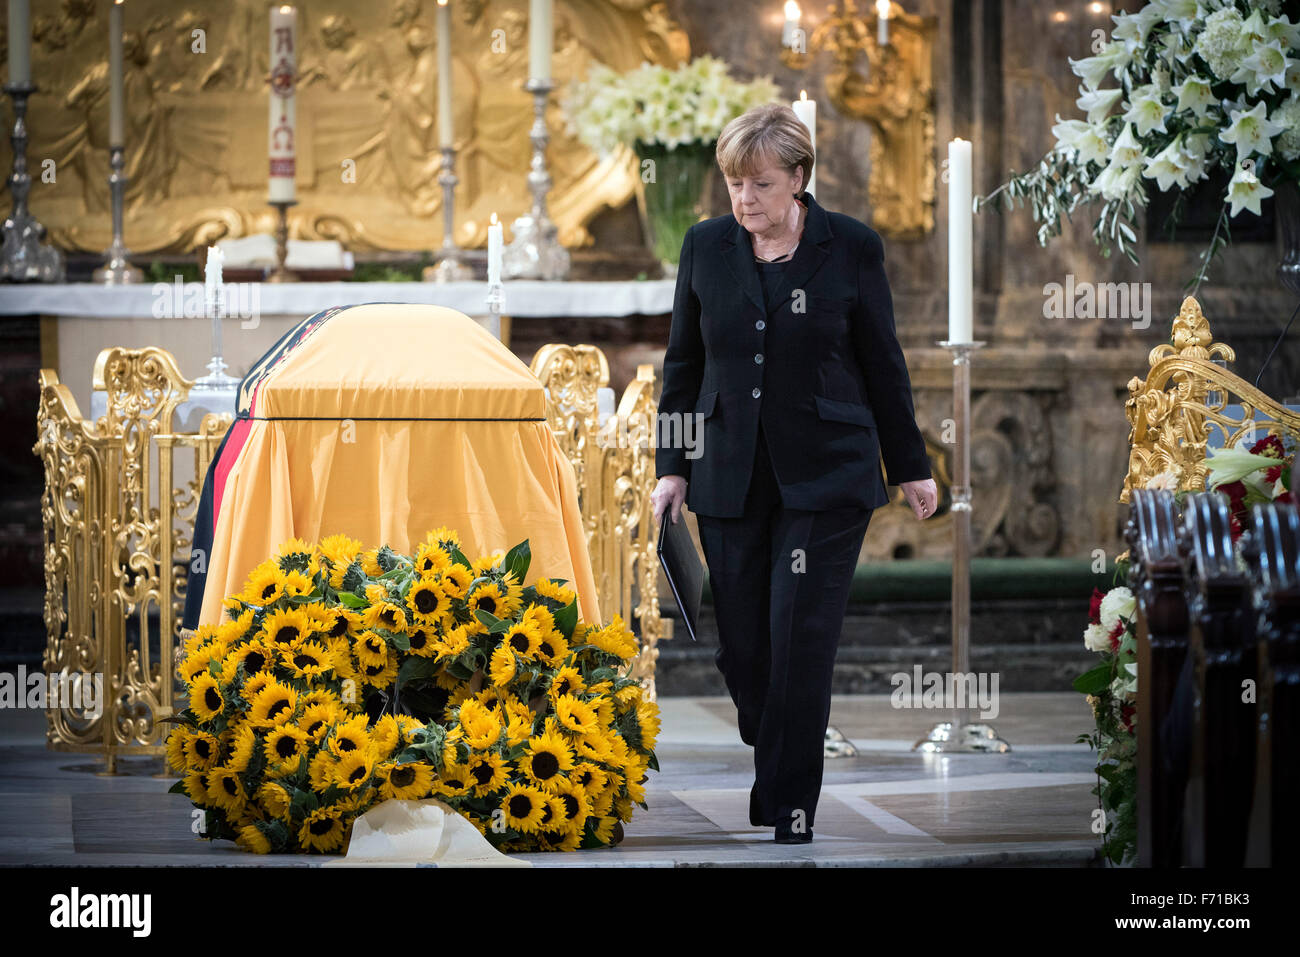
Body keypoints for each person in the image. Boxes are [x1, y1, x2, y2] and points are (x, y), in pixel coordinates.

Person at [650, 102, 938, 844]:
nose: (746, 200)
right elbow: (683, 365)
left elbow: (882, 360)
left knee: (799, 635)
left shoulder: (852, 248)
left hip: (828, 475)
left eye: (763, 184)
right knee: (745, 644)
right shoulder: (705, 247)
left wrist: (910, 465)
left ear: (800, 179)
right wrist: (671, 467)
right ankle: (769, 731)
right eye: (735, 185)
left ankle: (789, 804)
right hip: (727, 475)